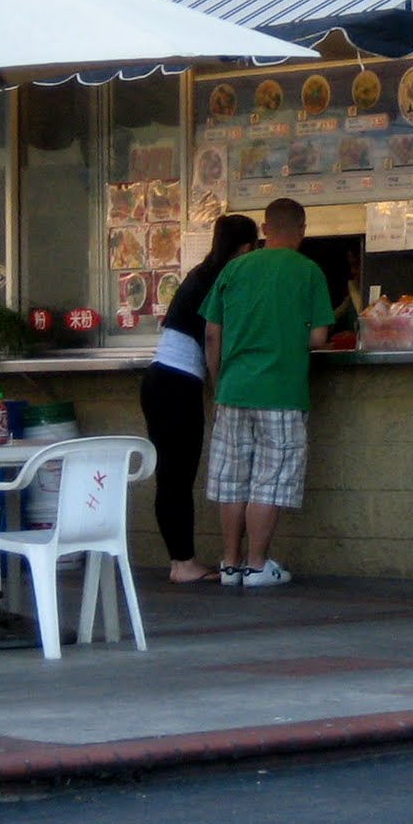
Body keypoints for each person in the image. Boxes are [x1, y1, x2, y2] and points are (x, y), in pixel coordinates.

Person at [202, 196, 333, 588]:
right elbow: (319, 337)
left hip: (233, 389)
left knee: (232, 479)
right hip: (281, 391)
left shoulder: (234, 269)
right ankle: (258, 566)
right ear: (302, 231)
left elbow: (212, 334)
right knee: (269, 480)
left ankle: (230, 564)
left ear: (264, 228)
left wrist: (216, 383)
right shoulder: (308, 271)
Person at [139, 212, 259, 583]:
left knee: (171, 474)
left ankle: (181, 560)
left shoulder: (200, 273)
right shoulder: (224, 279)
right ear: (245, 247)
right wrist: (219, 386)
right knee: (178, 474)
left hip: (160, 379)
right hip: (178, 383)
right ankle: (182, 563)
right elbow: (212, 338)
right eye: (253, 247)